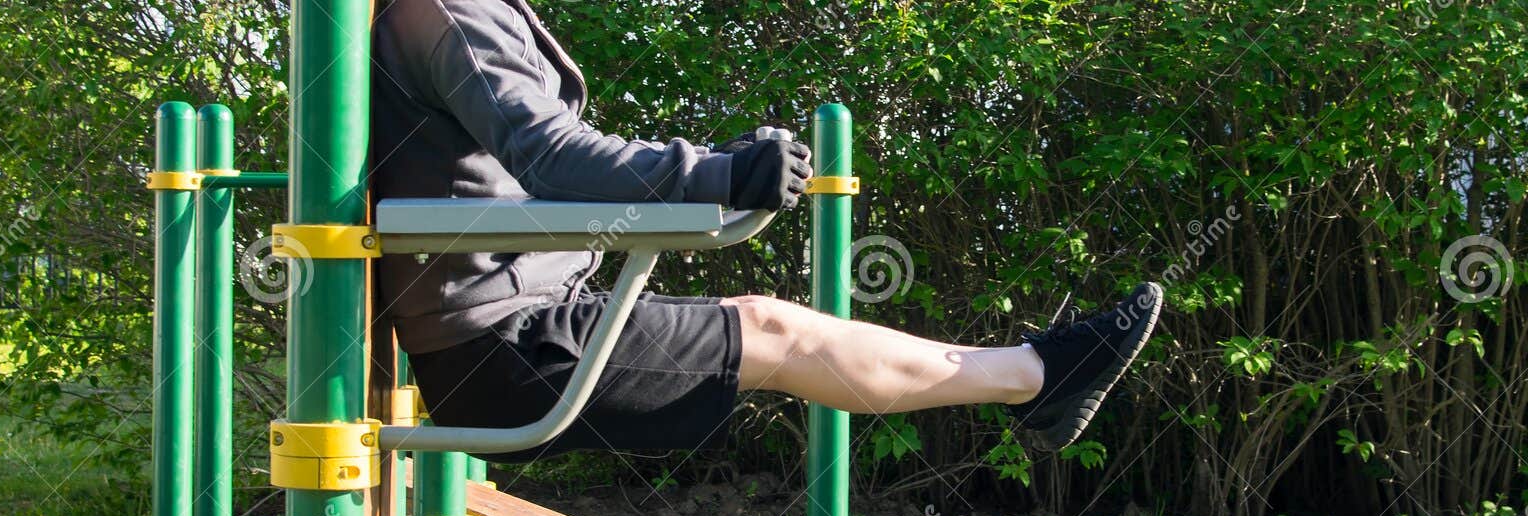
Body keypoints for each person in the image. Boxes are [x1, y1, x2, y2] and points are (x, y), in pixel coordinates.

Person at [371, 0, 1162, 461]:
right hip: (506, 353)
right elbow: (548, 153)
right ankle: (1034, 379)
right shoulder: (448, 11)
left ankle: (1032, 379)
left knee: (774, 322)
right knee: (773, 327)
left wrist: (720, 168)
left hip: (517, 329)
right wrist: (716, 176)